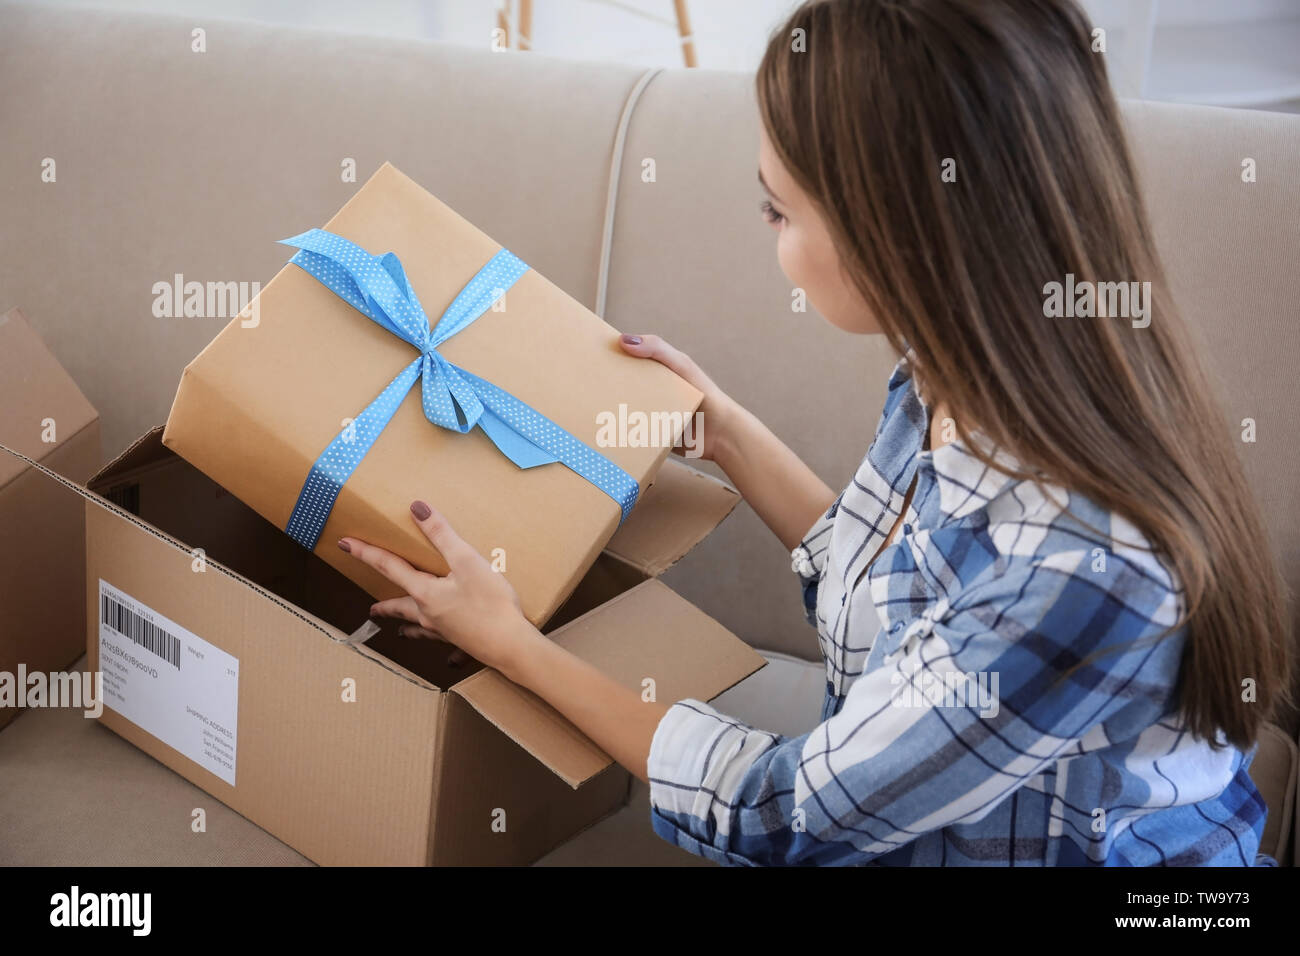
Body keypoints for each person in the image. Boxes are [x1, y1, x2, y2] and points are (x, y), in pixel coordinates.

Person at [340, 0, 1291, 865]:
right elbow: (887, 587)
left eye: (778, 209)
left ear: (905, 230)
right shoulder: (962, 372)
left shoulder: (1080, 566)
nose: (770, 237)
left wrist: (509, 644)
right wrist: (728, 431)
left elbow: (782, 811)